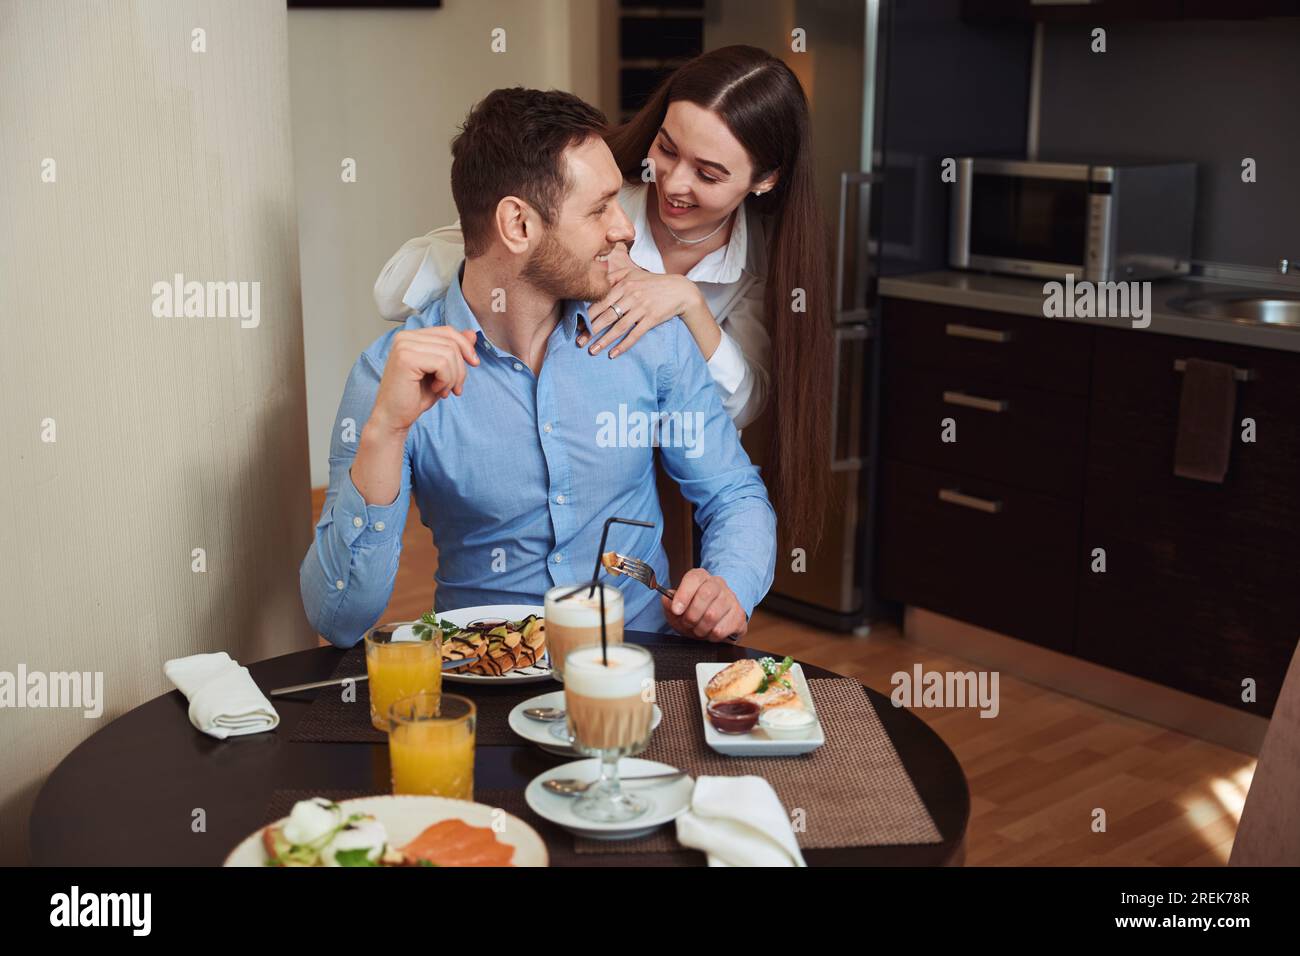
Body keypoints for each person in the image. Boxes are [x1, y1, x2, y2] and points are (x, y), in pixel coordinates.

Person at [301, 87, 777, 648]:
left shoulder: (652, 338)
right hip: (485, 681)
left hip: (635, 671)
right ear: (518, 226)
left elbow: (734, 495)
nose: (625, 229)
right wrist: (386, 432)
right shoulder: (390, 378)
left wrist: (729, 583)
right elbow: (338, 618)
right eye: (600, 208)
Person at [374, 45, 832, 550]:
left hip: (672, 479)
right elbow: (395, 290)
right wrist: (550, 258)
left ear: (765, 180)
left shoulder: (768, 261)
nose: (674, 183)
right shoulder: (592, 188)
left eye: (708, 174)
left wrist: (687, 302)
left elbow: (740, 405)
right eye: (668, 148)